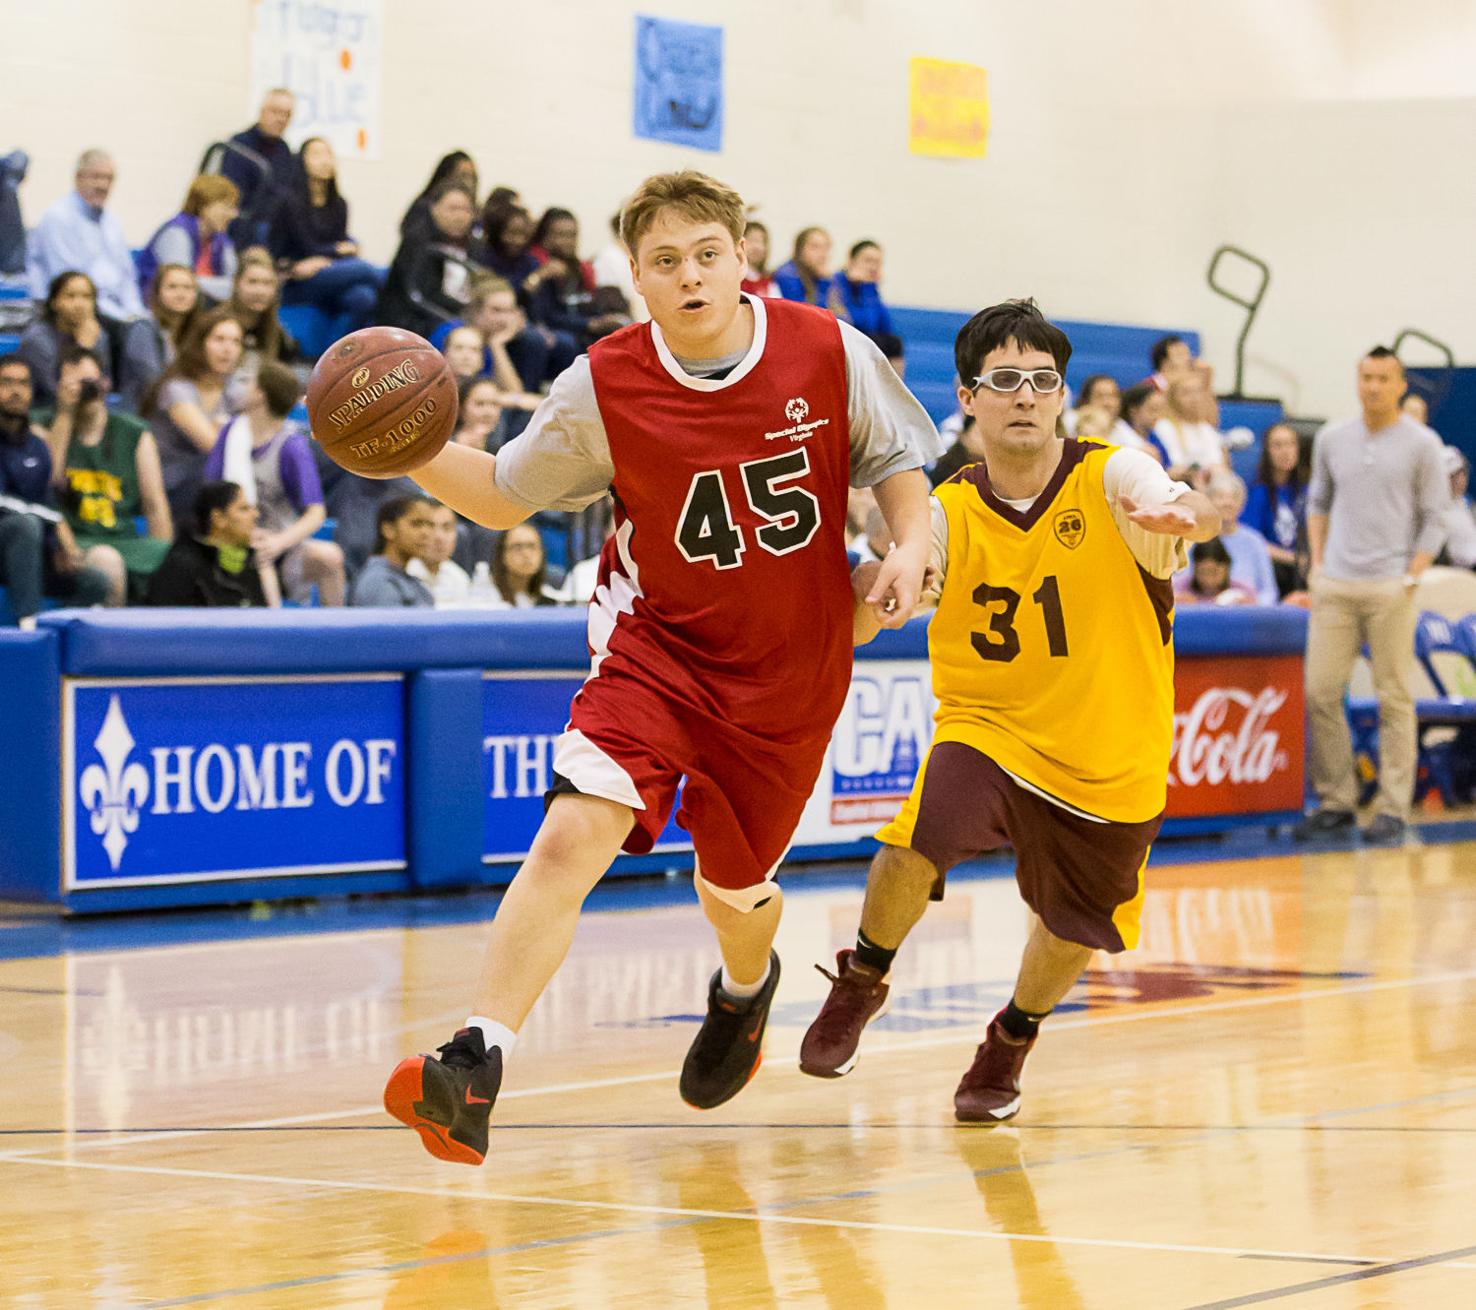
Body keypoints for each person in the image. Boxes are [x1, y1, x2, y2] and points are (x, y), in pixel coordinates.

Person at [381, 169, 936, 1166]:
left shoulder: (824, 347)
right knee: (569, 833)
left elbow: (900, 461)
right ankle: (475, 1060)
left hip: (791, 672)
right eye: (666, 262)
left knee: (733, 892)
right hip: (659, 647)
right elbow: (505, 496)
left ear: (743, 257)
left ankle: (745, 989)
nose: (690, 276)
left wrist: (907, 539)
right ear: (635, 276)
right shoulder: (603, 382)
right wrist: (404, 450)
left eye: (707, 255)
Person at [798, 298, 1219, 1123]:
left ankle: (1011, 1038)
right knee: (912, 841)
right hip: (988, 729)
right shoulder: (947, 508)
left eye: (1041, 380)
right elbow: (901, 591)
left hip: (1110, 751)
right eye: (1005, 380)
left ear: (1061, 396)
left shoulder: (1114, 475)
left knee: (1077, 925)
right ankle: (862, 979)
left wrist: (1186, 518)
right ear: (967, 398)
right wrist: (879, 591)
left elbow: (1189, 506)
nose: (1024, 395)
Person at [1296, 346, 1449, 847]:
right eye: (1366, 377)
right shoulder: (1334, 438)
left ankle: (1393, 807)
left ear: (1401, 384)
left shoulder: (1422, 443)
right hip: (1336, 582)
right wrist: (1317, 564)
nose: (1374, 386)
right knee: (1320, 691)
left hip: (1390, 584)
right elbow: (1318, 502)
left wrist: (1412, 575)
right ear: (1356, 380)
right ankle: (1337, 801)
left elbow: (1436, 516)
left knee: (1393, 697)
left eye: (1384, 378)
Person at [204, 361, 344, 607]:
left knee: (329, 557)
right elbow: (210, 493)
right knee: (257, 558)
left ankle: (340, 632)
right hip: (233, 536)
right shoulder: (230, 433)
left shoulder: (292, 446)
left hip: (281, 540)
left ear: (260, 394)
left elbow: (316, 513)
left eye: (248, 382)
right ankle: (272, 634)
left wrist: (278, 542)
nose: (241, 388)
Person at [42, 345, 172, 603]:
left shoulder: (134, 433)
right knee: (107, 560)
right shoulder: (44, 426)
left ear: (106, 383)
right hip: (76, 542)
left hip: (126, 540)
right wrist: (66, 413)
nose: (84, 390)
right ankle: (116, 643)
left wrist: (167, 559)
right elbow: (49, 480)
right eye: (74, 383)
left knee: (181, 562)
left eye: (90, 381)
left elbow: (155, 506)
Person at [0, 356, 111, 627]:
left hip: (26, 548)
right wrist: (54, 523)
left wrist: (56, 545)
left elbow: (45, 498)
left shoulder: (37, 446)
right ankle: (30, 627)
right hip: (11, 536)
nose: (16, 390)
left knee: (94, 582)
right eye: (6, 382)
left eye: (23, 383)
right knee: (23, 525)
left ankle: (56, 632)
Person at [268, 136, 384, 334]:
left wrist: (332, 254)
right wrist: (335, 251)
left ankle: (332, 361)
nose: (325, 160)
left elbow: (337, 244)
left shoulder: (339, 203)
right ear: (301, 161)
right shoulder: (289, 201)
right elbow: (307, 246)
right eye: (316, 154)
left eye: (328, 154)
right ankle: (393, 282)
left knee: (364, 298)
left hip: (329, 273)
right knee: (364, 270)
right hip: (295, 276)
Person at [142, 307, 245, 528]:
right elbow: (213, 446)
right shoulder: (176, 388)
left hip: (207, 481)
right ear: (200, 343)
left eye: (236, 342)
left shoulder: (232, 391)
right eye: (219, 339)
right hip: (169, 483)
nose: (228, 349)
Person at [26, 149, 145, 323]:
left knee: (149, 330)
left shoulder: (112, 222)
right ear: (78, 177)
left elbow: (127, 277)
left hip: (114, 313)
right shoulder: (58, 218)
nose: (103, 185)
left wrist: (135, 312)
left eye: (108, 178)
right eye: (96, 177)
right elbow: (70, 285)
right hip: (70, 313)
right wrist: (124, 318)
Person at [375, 183, 481, 339]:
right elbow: (424, 295)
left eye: (466, 210)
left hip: (462, 317)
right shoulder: (417, 242)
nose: (460, 216)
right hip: (419, 319)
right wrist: (468, 311)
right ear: (434, 209)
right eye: (453, 209)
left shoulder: (477, 247)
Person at [147, 480, 267, 607]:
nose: (255, 515)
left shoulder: (248, 564)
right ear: (218, 519)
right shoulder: (182, 566)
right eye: (244, 509)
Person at [524, 208, 628, 348]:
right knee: (569, 343)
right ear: (545, 236)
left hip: (581, 326)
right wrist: (589, 324)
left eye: (572, 235)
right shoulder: (538, 265)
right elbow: (547, 315)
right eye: (561, 235)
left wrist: (603, 318)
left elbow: (584, 302)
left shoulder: (577, 267)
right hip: (558, 331)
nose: (568, 242)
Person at [14, 271, 118, 408]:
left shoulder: (98, 335)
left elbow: (103, 386)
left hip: (87, 411)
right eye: (70, 296)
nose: (79, 304)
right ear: (54, 302)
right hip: (43, 411)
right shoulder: (36, 340)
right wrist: (84, 349)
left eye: (87, 297)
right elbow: (55, 393)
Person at [137, 176, 241, 305]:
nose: (234, 214)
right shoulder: (176, 233)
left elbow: (237, 284)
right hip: (159, 310)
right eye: (227, 207)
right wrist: (226, 287)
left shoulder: (220, 240)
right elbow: (181, 286)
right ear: (204, 206)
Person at [217, 88, 297, 250]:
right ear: (262, 111)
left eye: (287, 115)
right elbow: (233, 195)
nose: (281, 119)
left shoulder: (284, 150)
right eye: (276, 112)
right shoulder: (240, 145)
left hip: (276, 221)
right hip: (246, 221)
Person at [117, 265, 201, 414]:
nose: (181, 294)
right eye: (172, 287)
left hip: (186, 412)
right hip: (144, 416)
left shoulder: (198, 332)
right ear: (157, 293)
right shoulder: (142, 329)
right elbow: (150, 383)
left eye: (188, 288)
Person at [1243, 422, 1309, 596]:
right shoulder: (1257, 491)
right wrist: (1295, 559)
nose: (1285, 451)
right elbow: (1252, 541)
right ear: (1267, 451)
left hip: (1304, 564)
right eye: (1277, 446)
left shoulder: (1307, 490)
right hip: (1274, 566)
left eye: (1290, 444)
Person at [1202, 470, 1277, 604]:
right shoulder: (1194, 539)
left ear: (1242, 504)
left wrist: (1252, 602)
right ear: (1208, 501)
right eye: (1220, 497)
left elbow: (1269, 592)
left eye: (1234, 497)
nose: (1227, 503)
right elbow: (1180, 588)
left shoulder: (1255, 542)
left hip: (1246, 615)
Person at [349, 494, 437, 607]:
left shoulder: (413, 582)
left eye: (430, 525)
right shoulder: (378, 582)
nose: (426, 533)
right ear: (388, 530)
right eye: (416, 524)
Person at [227, 253, 299, 384]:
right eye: (252, 282)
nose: (260, 291)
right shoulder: (215, 325)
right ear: (236, 283)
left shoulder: (278, 335)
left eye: (267, 283)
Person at [1153, 371, 1226, 485]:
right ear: (1173, 397)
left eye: (1198, 392)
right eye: (1186, 393)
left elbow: (1218, 465)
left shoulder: (1205, 428)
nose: (1194, 398)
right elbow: (1173, 467)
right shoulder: (1164, 426)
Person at [400, 152, 478, 242]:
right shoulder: (424, 207)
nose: (468, 182)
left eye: (473, 177)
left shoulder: (476, 211)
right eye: (463, 175)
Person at [406, 500, 471, 607]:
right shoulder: (404, 573)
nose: (439, 537)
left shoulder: (458, 577)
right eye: (430, 526)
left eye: (447, 528)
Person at [833, 240, 894, 340]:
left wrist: (867, 288)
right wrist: (862, 287)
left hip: (863, 345)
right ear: (851, 262)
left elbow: (885, 328)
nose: (873, 267)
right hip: (844, 343)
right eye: (868, 261)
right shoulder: (836, 284)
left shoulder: (870, 289)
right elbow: (850, 324)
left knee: (894, 343)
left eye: (878, 263)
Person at [489, 521, 558, 607]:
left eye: (531, 546)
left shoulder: (552, 597)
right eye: (517, 546)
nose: (526, 554)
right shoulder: (487, 599)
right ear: (502, 555)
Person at [773, 227, 841, 312]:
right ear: (800, 250)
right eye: (815, 247)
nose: (822, 254)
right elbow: (808, 315)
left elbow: (841, 314)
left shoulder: (814, 273)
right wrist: (824, 281)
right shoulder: (788, 275)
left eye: (826, 248)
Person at [1175, 536, 1255, 606]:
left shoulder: (1244, 591)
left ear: (1226, 568)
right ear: (1195, 569)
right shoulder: (1179, 589)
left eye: (1214, 572)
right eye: (1203, 572)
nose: (1208, 580)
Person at [1436, 447, 1476, 570]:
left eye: (1462, 473)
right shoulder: (1435, 510)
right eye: (1453, 476)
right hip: (1459, 574)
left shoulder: (1465, 502)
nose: (1459, 480)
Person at [1117, 382, 1171, 464]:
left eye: (1160, 410)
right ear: (1133, 410)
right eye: (1153, 409)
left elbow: (1167, 465)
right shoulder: (1119, 431)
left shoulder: (1154, 436)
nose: (1157, 415)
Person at [1064, 373, 1119, 438]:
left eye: (1112, 396)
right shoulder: (1070, 422)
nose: (1107, 403)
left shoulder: (1121, 429)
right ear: (1085, 400)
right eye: (1100, 396)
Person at [739, 219, 777, 298]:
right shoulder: (736, 278)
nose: (758, 247)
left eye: (762, 241)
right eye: (752, 240)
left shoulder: (769, 280)